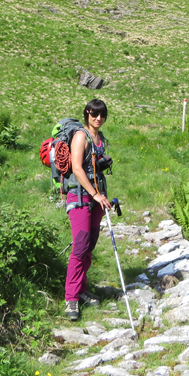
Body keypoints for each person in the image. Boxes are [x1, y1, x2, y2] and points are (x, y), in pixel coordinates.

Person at [64, 98, 113, 321]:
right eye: (94, 114)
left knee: (90, 245)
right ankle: (71, 299)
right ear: (87, 114)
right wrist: (94, 194)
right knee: (80, 246)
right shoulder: (80, 136)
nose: (98, 118)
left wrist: (101, 197)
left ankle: (82, 290)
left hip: (97, 199)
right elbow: (76, 167)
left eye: (102, 115)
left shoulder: (100, 139)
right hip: (80, 198)